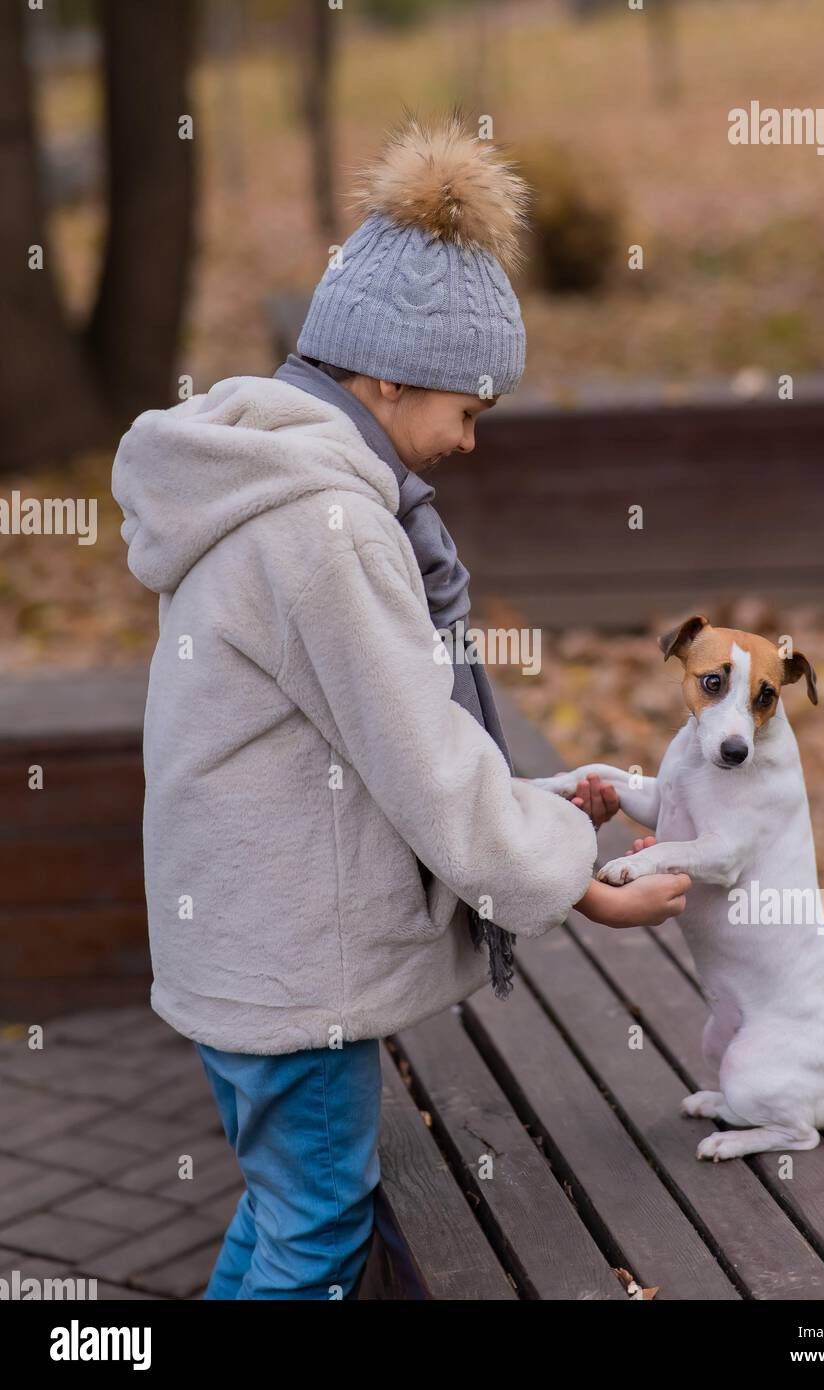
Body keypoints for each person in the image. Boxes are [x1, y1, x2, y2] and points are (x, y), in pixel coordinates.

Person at [111, 113, 690, 1301]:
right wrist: (575, 865)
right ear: (383, 376)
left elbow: (364, 745)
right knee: (321, 1237)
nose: (469, 443)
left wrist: (532, 803)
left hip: (244, 957)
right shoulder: (326, 530)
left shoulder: (260, 485)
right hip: (293, 984)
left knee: (286, 1212)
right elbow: (426, 764)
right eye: (466, 411)